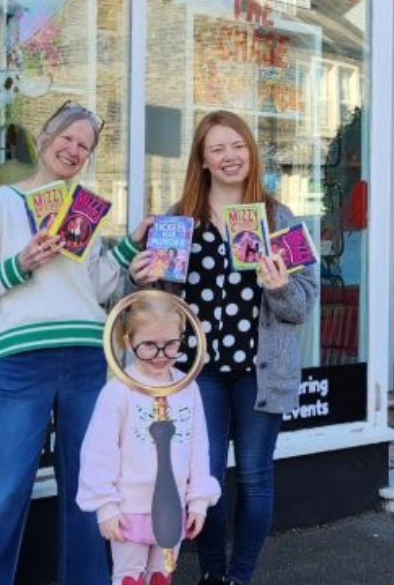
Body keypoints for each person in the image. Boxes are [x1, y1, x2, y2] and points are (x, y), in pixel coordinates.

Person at [0, 101, 161, 585]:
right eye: (67, 139)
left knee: (93, 488)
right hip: (22, 360)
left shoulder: (84, 211)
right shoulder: (3, 201)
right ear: (46, 139)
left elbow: (97, 289)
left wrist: (131, 246)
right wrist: (20, 263)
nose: (73, 150)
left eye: (84, 146)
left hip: (87, 358)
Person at [163, 110, 318, 585]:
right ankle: (212, 575)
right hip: (199, 371)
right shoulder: (179, 220)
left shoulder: (277, 218)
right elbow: (153, 303)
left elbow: (303, 303)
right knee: (203, 480)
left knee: (254, 476)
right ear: (202, 161)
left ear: (251, 152)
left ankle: (240, 577)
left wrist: (277, 287)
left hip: (259, 370)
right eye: (217, 149)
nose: (230, 157)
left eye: (238, 146)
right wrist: (142, 276)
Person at [77, 292, 220, 585]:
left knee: (162, 575)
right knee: (129, 577)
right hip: (128, 509)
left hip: (173, 506)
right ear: (129, 342)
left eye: (170, 345)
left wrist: (198, 502)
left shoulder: (187, 388)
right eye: (149, 346)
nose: (160, 355)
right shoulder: (118, 392)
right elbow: (99, 451)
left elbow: (198, 447)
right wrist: (105, 505)